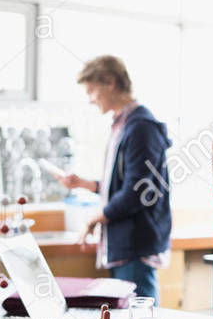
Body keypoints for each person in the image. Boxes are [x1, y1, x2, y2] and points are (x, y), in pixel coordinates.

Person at [64, 55, 171, 304]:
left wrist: (95, 218)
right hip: (126, 244)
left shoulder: (140, 127)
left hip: (135, 245)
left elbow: (136, 192)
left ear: (110, 83)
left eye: (92, 90)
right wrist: (85, 184)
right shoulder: (124, 125)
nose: (91, 98)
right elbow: (126, 185)